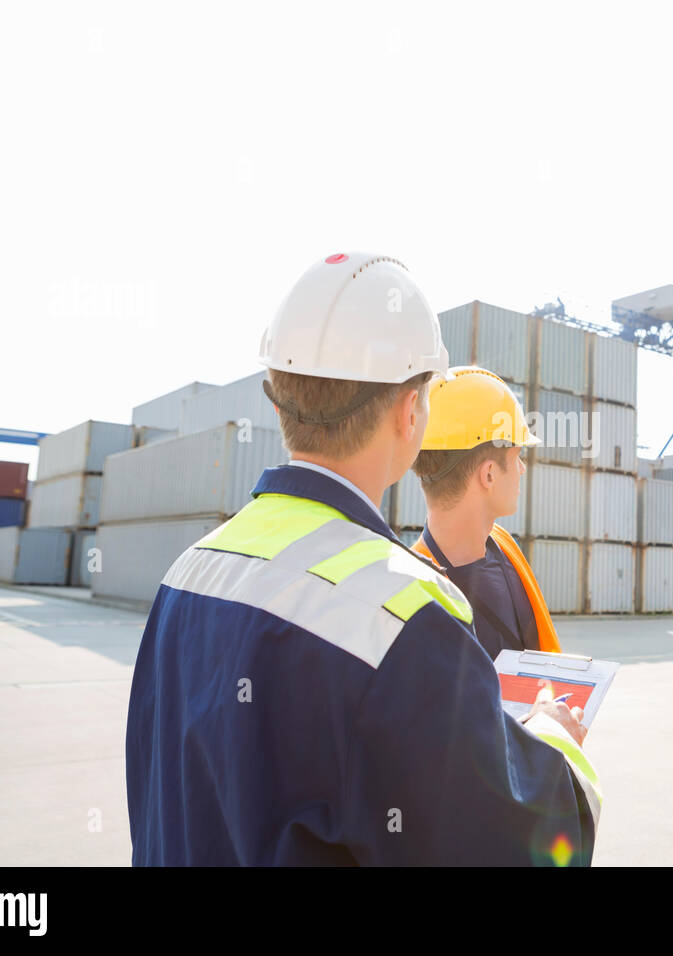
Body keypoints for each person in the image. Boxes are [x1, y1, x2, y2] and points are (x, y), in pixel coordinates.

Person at [125, 252, 600, 865]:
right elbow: (520, 845)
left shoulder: (186, 574)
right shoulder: (402, 617)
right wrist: (556, 742)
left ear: (278, 405)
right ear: (410, 414)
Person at [409, 365, 562, 659]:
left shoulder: (505, 545)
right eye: (517, 456)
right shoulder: (416, 594)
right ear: (489, 474)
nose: (522, 469)